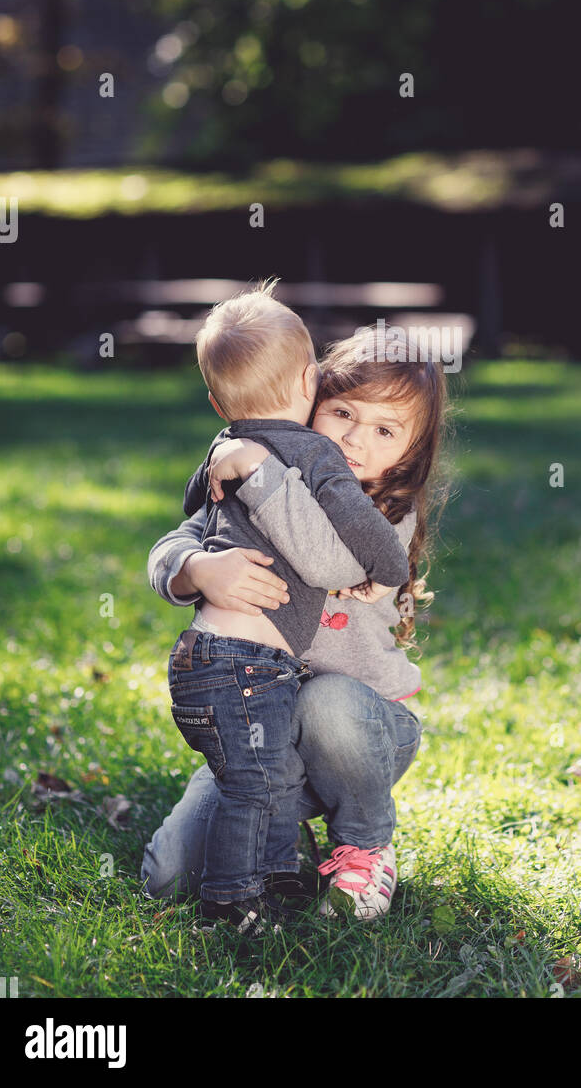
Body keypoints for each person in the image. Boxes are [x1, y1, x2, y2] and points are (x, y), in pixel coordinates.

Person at [143, 323, 449, 920]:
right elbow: (170, 545)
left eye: (385, 430)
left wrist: (258, 469)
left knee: (326, 702)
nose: (356, 440)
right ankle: (282, 840)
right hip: (261, 730)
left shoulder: (385, 515)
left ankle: (364, 845)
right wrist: (199, 569)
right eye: (342, 412)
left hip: (359, 731)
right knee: (168, 876)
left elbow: (320, 553)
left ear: (412, 448)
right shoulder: (266, 467)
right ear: (310, 397)